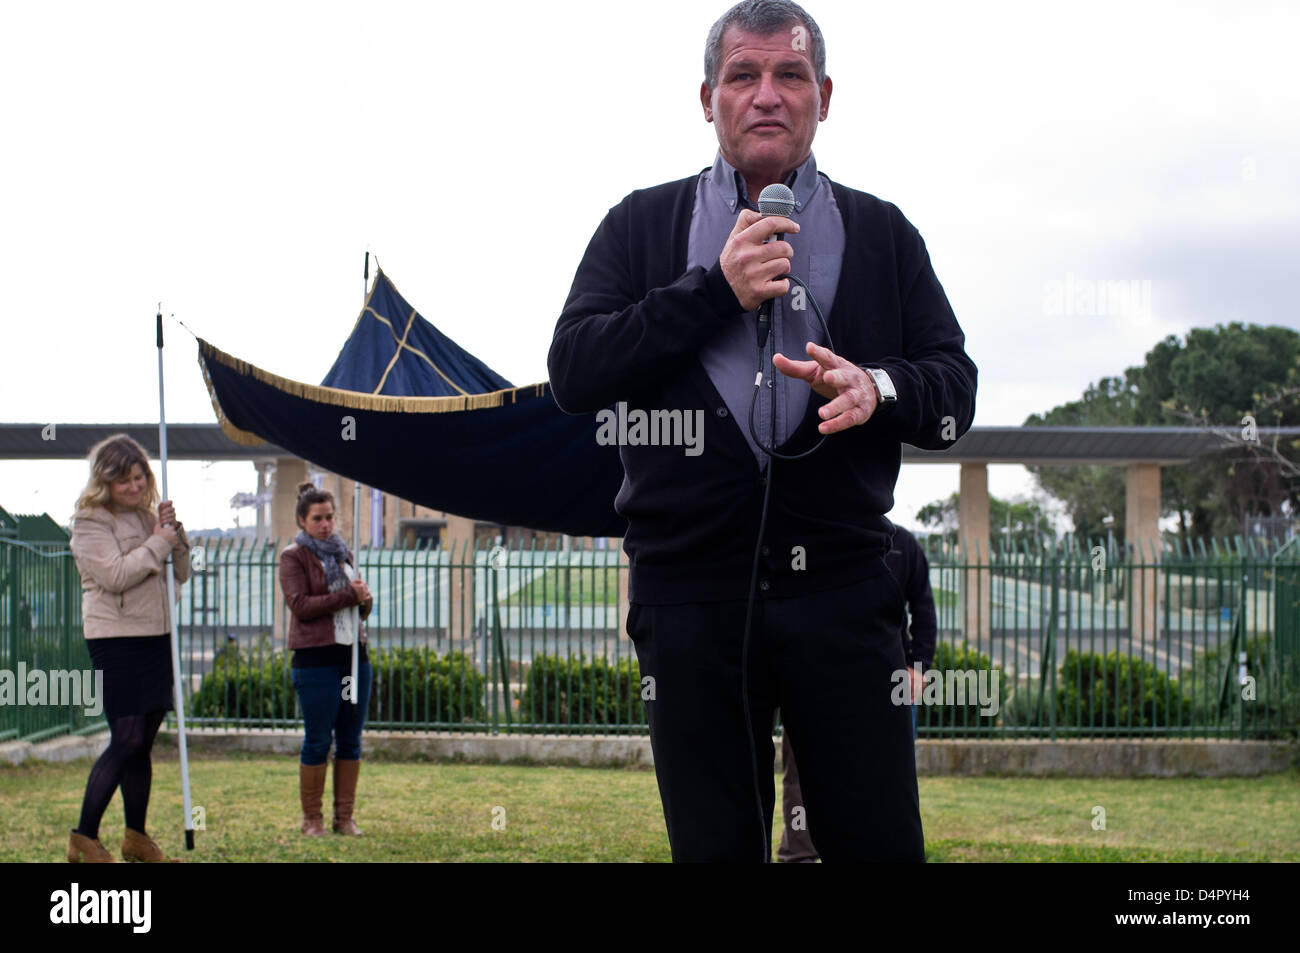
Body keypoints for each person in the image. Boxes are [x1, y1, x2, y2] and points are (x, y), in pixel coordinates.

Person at [548, 0, 976, 861]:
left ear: (825, 94)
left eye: (789, 75)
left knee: (880, 846)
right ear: (708, 98)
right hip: (691, 600)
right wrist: (712, 291)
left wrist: (880, 385)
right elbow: (575, 370)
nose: (767, 95)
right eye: (743, 75)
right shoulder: (641, 226)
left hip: (848, 598)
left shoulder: (885, 234)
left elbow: (954, 390)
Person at [778, 524, 937, 862]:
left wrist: (919, 668)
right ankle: (800, 854)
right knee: (799, 773)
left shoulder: (903, 544)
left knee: (889, 777)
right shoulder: (815, 535)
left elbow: (923, 609)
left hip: (887, 680)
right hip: (809, 671)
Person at [67, 434, 191, 863]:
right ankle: (84, 837)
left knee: (144, 740)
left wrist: (176, 537)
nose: (135, 487)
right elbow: (116, 575)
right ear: (105, 483)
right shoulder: (88, 523)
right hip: (115, 639)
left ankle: (136, 837)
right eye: (124, 481)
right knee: (127, 737)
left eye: (140, 477)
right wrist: (158, 541)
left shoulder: (147, 516)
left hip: (156, 636)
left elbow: (181, 574)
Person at [279, 481, 374, 836]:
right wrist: (348, 597)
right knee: (319, 738)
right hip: (315, 660)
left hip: (353, 657)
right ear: (302, 521)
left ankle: (344, 817)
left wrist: (363, 599)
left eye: (330, 517)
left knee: (351, 737)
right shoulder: (293, 556)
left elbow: (360, 608)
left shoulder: (342, 553)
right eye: (317, 518)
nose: (325, 525)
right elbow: (300, 606)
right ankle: (312, 819)